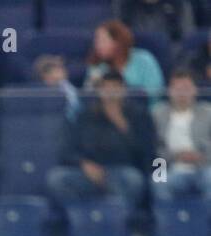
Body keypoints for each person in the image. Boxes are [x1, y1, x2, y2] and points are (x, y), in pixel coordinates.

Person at [47, 69, 154, 213]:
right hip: (87, 172)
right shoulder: (85, 115)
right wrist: (84, 164)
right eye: (106, 88)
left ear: (124, 90)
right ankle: (80, 218)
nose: (110, 93)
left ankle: (119, 220)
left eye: (115, 87)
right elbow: (67, 149)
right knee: (56, 178)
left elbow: (147, 151)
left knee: (134, 180)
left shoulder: (138, 115)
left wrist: (122, 125)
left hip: (121, 171)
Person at [151, 67, 211, 200]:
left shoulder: (208, 112)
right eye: (177, 89)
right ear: (169, 91)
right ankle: (166, 220)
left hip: (204, 165)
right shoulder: (158, 114)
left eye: (186, 88)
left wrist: (200, 156)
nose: (182, 93)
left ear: (195, 90)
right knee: (158, 180)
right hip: (168, 164)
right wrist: (176, 157)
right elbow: (155, 148)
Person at [86, 19, 164, 101]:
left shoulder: (144, 60)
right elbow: (88, 96)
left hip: (145, 110)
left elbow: (156, 92)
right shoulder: (97, 66)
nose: (97, 46)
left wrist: (124, 93)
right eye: (96, 41)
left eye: (103, 41)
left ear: (118, 42)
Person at [119, 0, 196, 42]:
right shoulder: (125, 6)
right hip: (133, 61)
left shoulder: (179, 5)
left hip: (172, 62)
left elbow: (187, 40)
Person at [35, 53, 80, 119]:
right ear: (45, 75)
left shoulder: (69, 87)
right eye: (57, 70)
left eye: (61, 68)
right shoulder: (39, 93)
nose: (62, 72)